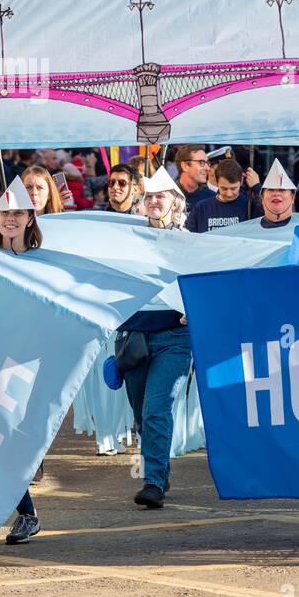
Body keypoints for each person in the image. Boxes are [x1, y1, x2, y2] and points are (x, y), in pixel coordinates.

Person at [0, 176, 46, 553]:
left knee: (8, 440)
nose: (10, 219)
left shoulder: (43, 263)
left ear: (30, 219)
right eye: (5, 213)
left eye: (18, 213)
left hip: (28, 364)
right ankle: (1, 512)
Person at [118, 166, 193, 509]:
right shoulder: (130, 239)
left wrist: (193, 308)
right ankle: (159, 471)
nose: (153, 201)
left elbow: (202, 279)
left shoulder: (189, 243)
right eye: (149, 196)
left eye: (160, 196)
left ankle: (152, 480)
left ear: (174, 202)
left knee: (156, 409)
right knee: (140, 414)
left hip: (174, 338)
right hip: (135, 337)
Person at [186, 157, 256, 231]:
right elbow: (188, 236)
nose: (229, 194)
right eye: (224, 188)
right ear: (216, 182)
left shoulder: (250, 207)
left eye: (233, 188)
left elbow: (268, 218)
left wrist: (256, 186)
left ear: (241, 181)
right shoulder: (201, 208)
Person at [252, 160, 298, 228]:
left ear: (293, 197)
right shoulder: (250, 230)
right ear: (262, 198)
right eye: (271, 189)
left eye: (282, 190)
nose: (276, 194)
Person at [173, 144, 213, 209]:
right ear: (185, 166)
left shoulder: (211, 198)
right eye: (201, 162)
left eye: (207, 163)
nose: (208, 168)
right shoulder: (167, 195)